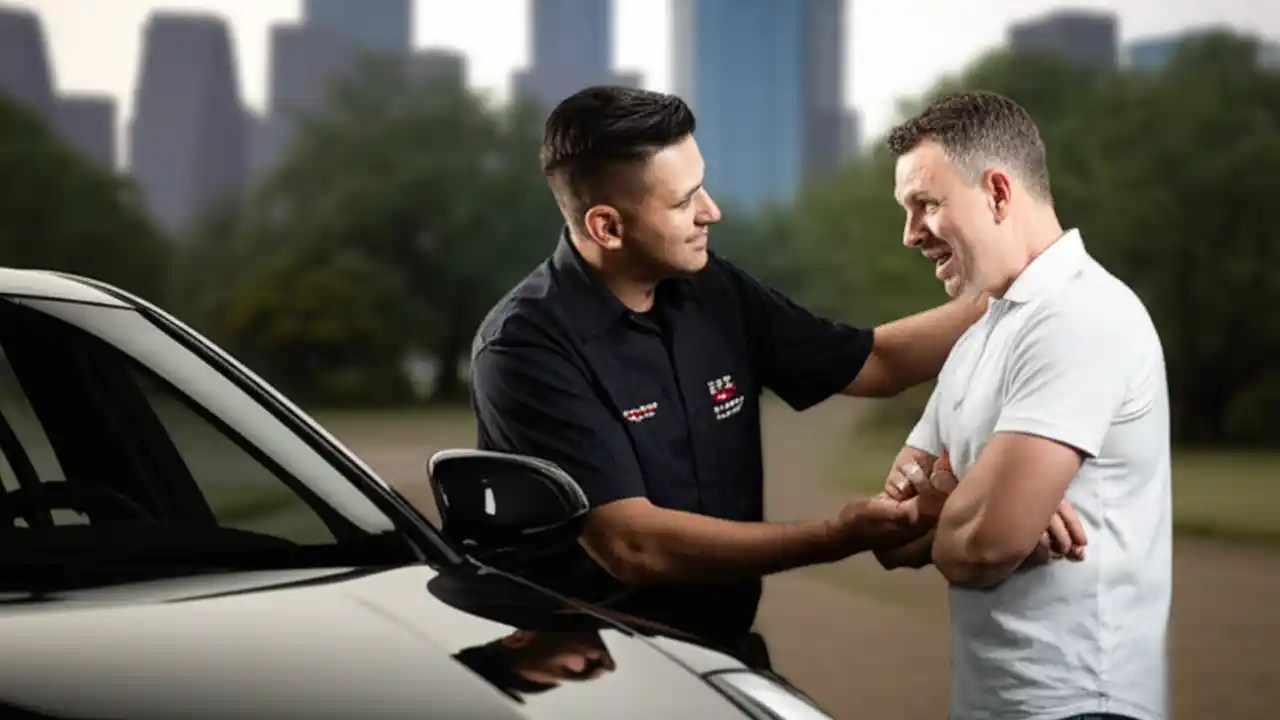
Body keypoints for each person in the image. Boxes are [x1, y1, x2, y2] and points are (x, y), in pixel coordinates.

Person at [468, 85, 984, 661]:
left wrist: (1017, 287)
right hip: (590, 676)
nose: (711, 210)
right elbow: (634, 546)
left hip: (720, 652)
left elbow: (875, 361)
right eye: (684, 201)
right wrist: (839, 536)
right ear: (607, 228)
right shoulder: (523, 348)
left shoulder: (711, 288)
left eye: (702, 186)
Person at [873, 91, 1171, 720]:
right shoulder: (984, 330)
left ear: (999, 194)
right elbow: (890, 531)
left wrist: (967, 508)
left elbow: (980, 550)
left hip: (1082, 707)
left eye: (924, 205)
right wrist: (973, 503)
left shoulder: (1080, 316)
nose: (909, 235)